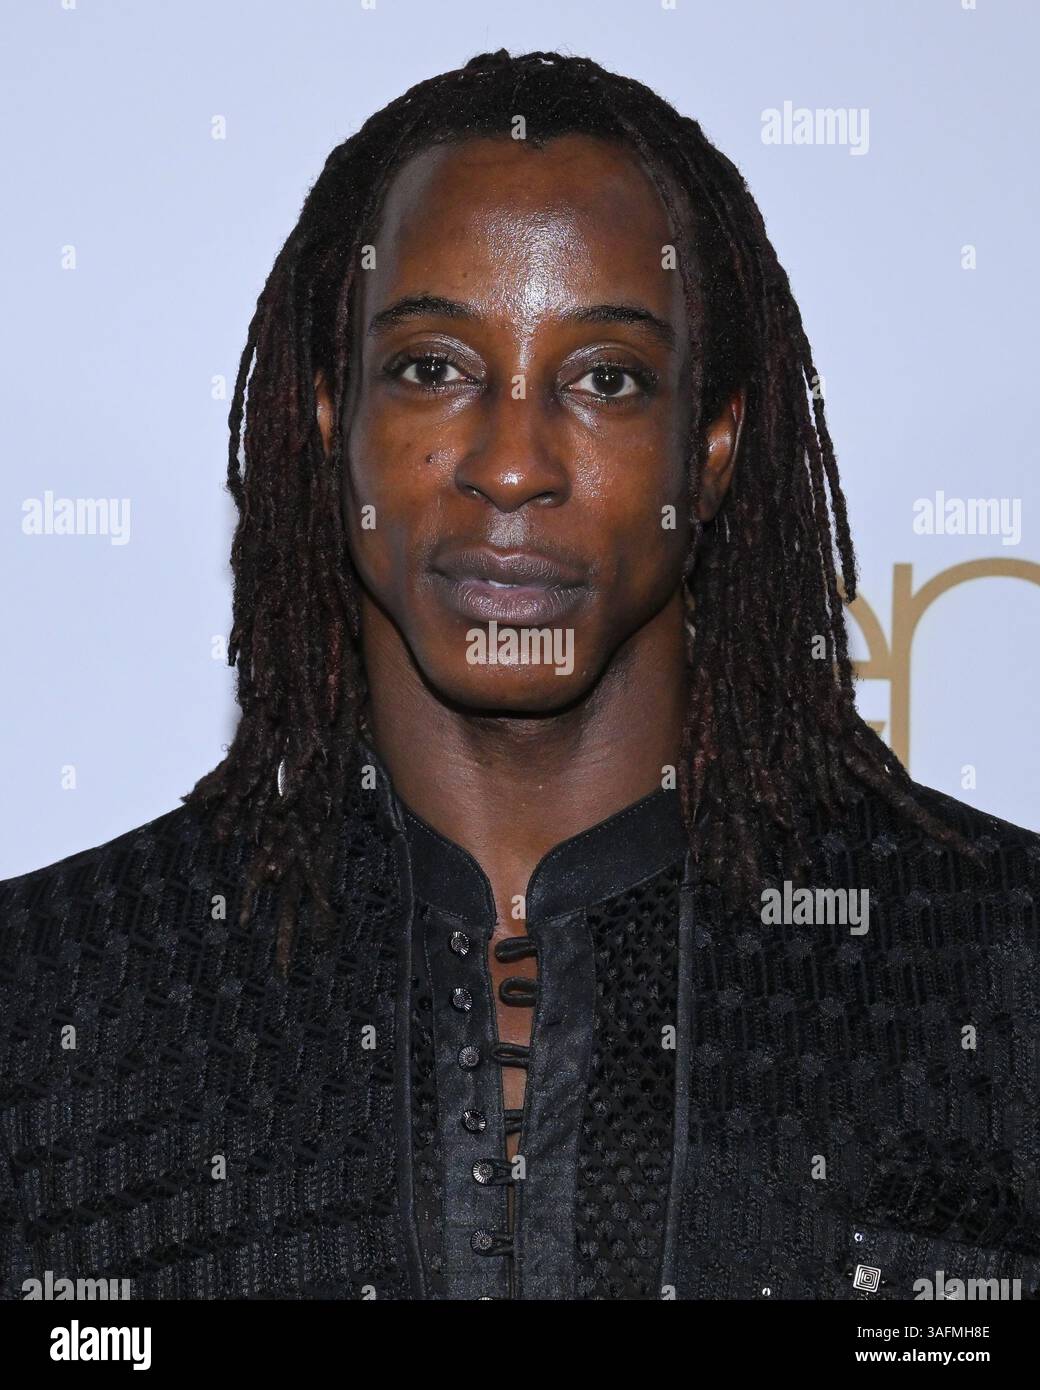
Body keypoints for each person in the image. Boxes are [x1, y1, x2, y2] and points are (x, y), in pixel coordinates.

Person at [1, 48, 1038, 1302]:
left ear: (708, 450)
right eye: (432, 367)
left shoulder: (994, 970)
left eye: (605, 378)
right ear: (332, 427)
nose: (509, 463)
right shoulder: (50, 998)